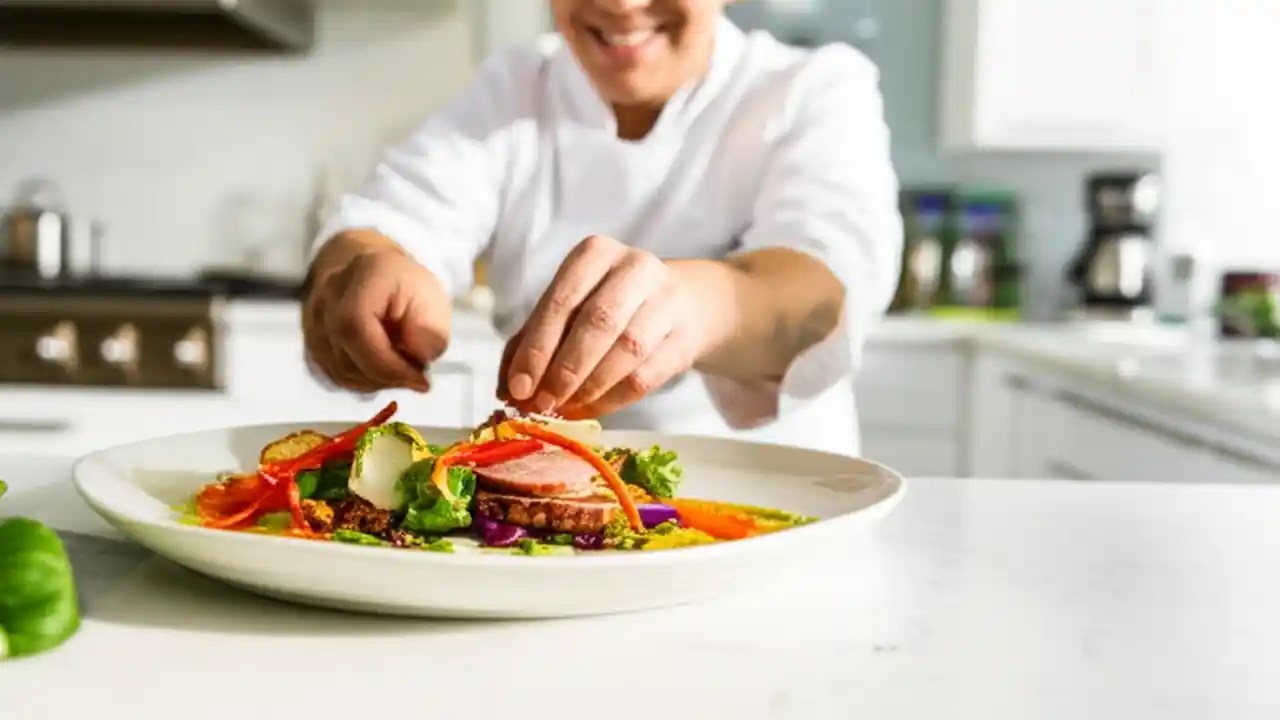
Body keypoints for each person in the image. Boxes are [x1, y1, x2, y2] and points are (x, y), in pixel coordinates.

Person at [302, 0, 902, 456]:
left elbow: (823, 291)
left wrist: (696, 306)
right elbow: (387, 222)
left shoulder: (815, 87)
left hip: (772, 496)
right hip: (544, 512)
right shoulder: (516, 84)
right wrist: (362, 269)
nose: (619, 2)